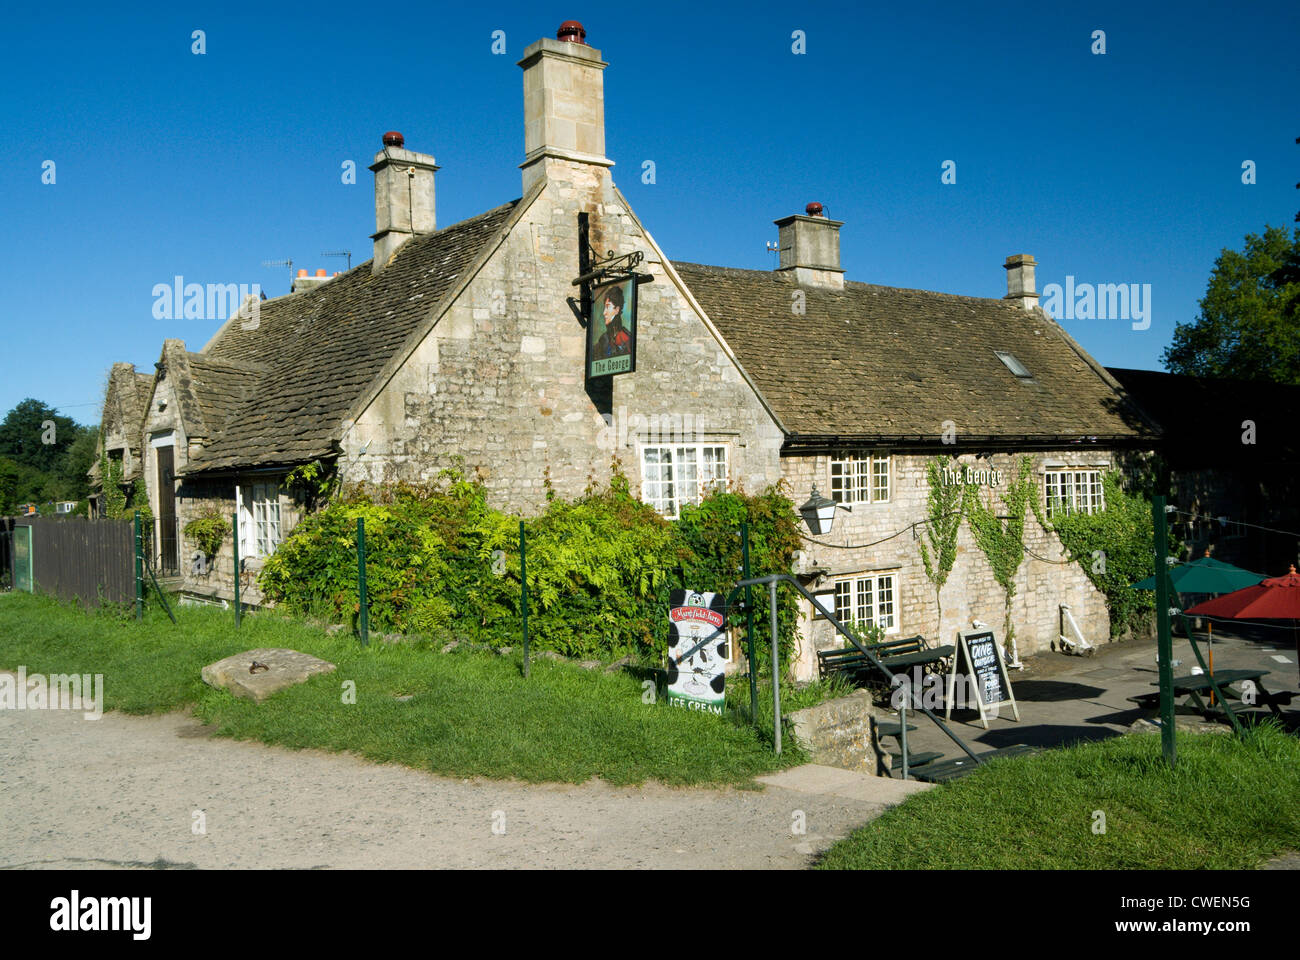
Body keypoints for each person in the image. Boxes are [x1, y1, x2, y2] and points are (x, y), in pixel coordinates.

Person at [594, 285, 631, 358]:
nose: (604, 312)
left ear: (617, 309)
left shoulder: (626, 338)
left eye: (608, 306)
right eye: (605, 307)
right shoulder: (603, 340)